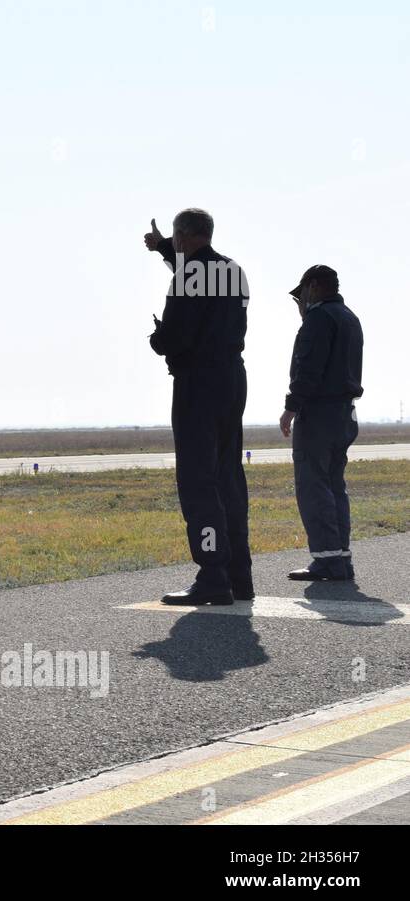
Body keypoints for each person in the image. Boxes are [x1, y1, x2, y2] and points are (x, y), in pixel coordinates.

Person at [143, 209, 253, 605]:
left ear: (185, 236)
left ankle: (211, 575)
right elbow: (202, 278)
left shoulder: (187, 276)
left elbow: (176, 335)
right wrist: (163, 250)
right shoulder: (233, 270)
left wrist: (158, 340)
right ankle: (239, 575)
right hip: (231, 379)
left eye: (175, 237)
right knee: (227, 476)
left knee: (197, 479)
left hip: (197, 383)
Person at [279, 265, 363, 581]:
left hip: (318, 414)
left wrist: (291, 407)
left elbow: (309, 368)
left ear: (313, 287)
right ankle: (340, 557)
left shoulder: (319, 319)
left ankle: (327, 561)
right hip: (344, 413)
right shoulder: (349, 317)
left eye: (302, 294)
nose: (301, 302)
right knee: (333, 486)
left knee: (314, 487)